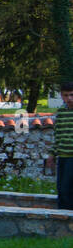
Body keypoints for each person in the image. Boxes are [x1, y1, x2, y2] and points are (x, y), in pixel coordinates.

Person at [48, 82, 73, 210]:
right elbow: (58, 135)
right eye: (66, 95)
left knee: (67, 190)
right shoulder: (62, 112)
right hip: (63, 156)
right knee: (62, 190)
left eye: (72, 95)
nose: (69, 99)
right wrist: (52, 154)